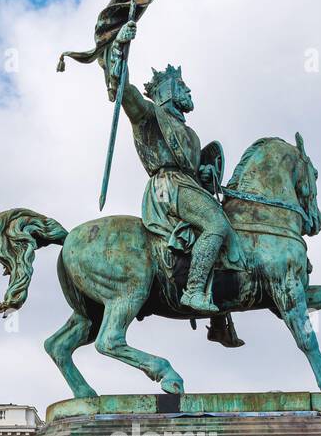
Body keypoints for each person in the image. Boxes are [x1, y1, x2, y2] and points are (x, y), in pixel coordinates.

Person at [100, 20, 247, 322]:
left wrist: (204, 174)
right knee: (217, 225)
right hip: (168, 189)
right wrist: (117, 51)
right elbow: (125, 92)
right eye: (181, 86)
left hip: (185, 185)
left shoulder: (187, 132)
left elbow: (192, 168)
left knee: (226, 228)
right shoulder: (149, 116)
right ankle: (193, 290)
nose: (188, 89)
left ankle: (221, 319)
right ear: (167, 91)